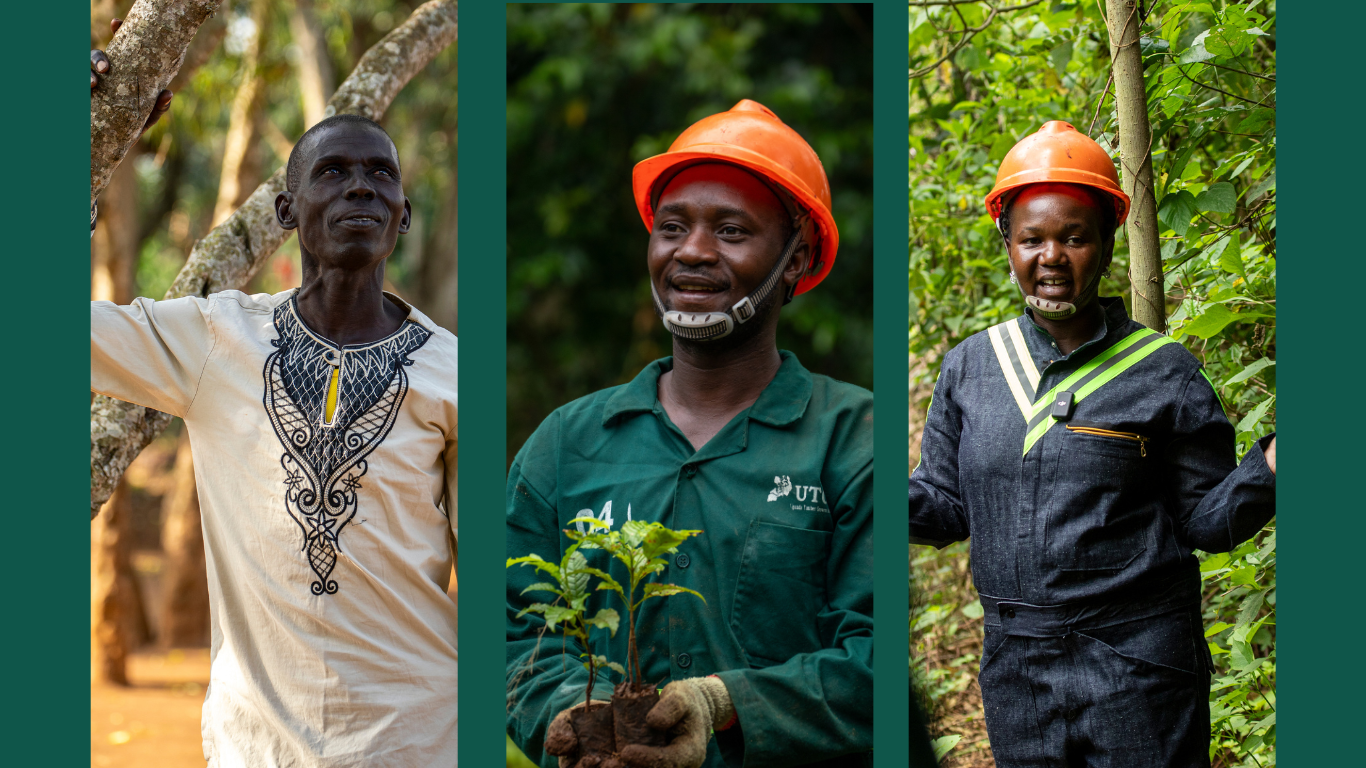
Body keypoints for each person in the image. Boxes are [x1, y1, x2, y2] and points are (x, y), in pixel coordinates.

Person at [91, 49, 459, 766]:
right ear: (286, 212)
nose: (361, 187)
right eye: (333, 172)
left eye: (381, 174)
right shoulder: (214, 338)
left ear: (404, 215)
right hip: (255, 746)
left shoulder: (453, 371)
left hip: (420, 738)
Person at [506, 100, 873, 768]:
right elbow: (511, 633)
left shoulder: (853, 440)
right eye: (672, 227)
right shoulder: (565, 446)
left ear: (797, 258)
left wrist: (722, 702)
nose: (694, 251)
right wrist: (565, 711)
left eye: (732, 231)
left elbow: (877, 658)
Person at [908, 121, 1276, 767]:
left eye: (1074, 237)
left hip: (1138, 664)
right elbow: (945, 506)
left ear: (1106, 242)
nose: (1051, 256)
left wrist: (1275, 465)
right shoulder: (971, 367)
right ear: (1007, 242)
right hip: (1017, 671)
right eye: (1032, 239)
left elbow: (1207, 523)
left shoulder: (1163, 369)